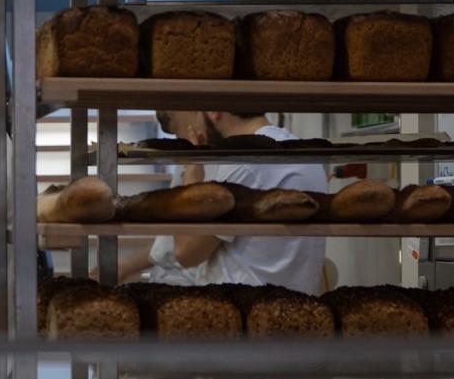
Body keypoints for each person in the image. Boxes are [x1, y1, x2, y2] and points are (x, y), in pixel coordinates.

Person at [120, 110, 327, 294]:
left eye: (181, 132)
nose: (183, 140)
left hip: (244, 319)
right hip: (292, 314)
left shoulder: (244, 163)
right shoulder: (299, 151)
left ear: (214, 113)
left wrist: (192, 165)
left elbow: (186, 252)